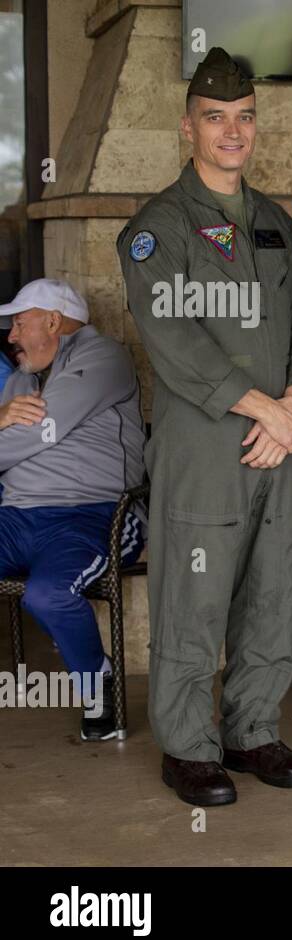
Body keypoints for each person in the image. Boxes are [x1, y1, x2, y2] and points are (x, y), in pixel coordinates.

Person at [117, 48, 292, 806]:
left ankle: (252, 731)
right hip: (208, 443)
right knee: (195, 597)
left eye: (243, 118)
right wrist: (262, 406)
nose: (232, 132)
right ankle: (188, 745)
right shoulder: (157, 228)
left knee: (275, 589)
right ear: (189, 127)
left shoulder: (273, 220)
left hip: (281, 437)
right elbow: (173, 340)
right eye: (216, 119)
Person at [0, 279, 145, 739]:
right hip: (16, 516)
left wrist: (12, 432)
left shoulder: (103, 357)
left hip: (90, 516)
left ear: (52, 321)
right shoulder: (24, 376)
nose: (10, 336)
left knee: (46, 594)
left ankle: (96, 680)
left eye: (19, 324)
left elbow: (36, 434)